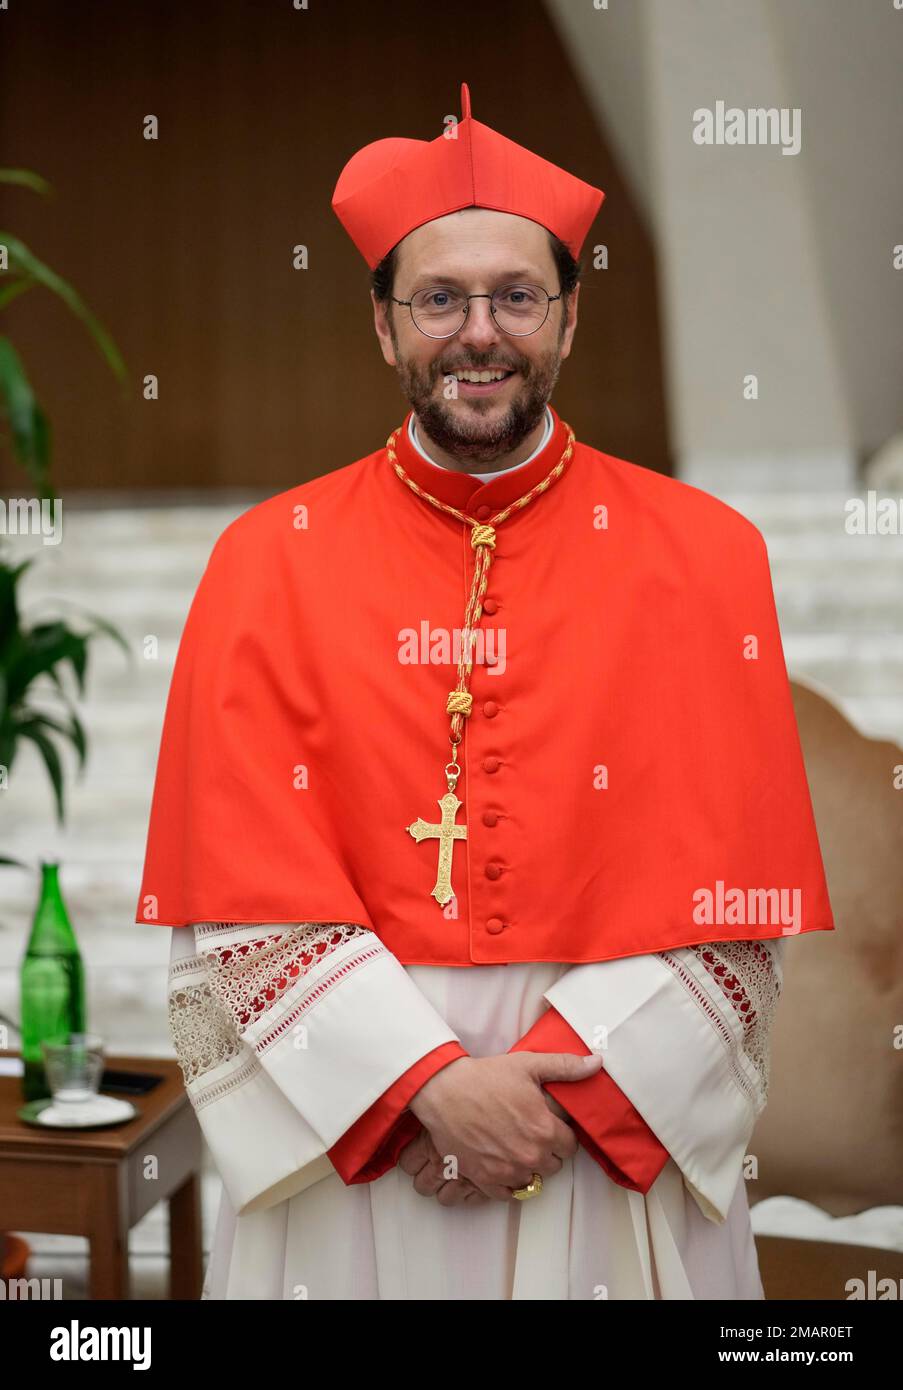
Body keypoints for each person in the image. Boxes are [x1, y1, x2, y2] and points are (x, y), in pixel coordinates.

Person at [139, 83, 834, 1300]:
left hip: (605, 1113)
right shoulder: (266, 558)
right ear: (384, 325)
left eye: (517, 296)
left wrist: (555, 1094)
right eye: (440, 298)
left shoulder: (708, 554)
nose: (480, 332)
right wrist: (417, 1086)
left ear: (568, 320)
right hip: (354, 1129)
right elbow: (237, 892)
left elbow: (733, 900)